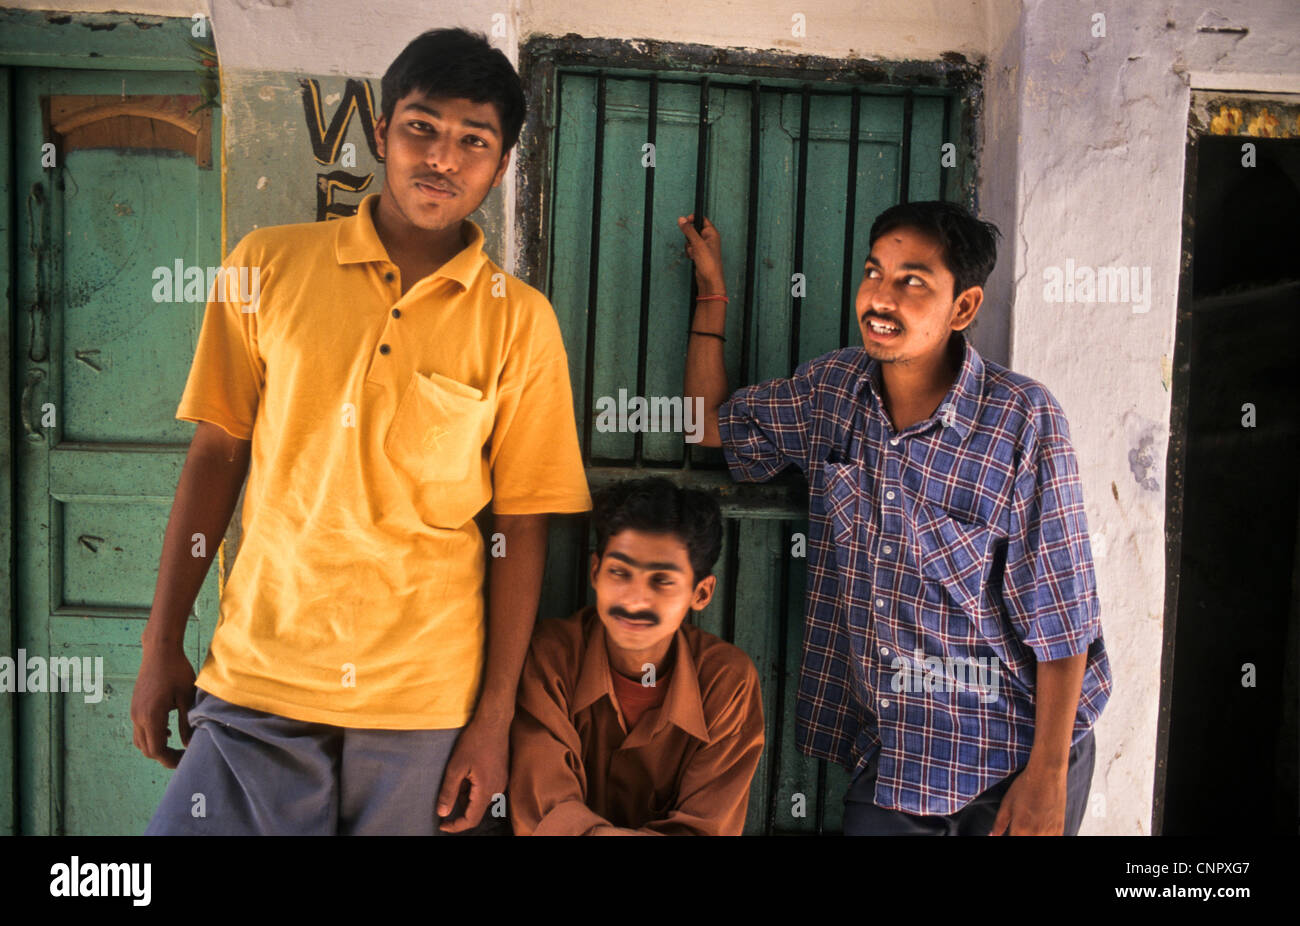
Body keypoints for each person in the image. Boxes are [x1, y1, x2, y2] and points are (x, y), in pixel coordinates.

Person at [132, 28, 591, 835]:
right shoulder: (266, 267)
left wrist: (490, 719)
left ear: (502, 163)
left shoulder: (519, 323)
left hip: (422, 703)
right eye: (422, 127)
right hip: (258, 678)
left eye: (473, 141)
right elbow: (216, 454)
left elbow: (522, 524)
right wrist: (161, 641)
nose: (442, 159)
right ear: (380, 133)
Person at [677, 201, 1111, 835]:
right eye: (873, 273)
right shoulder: (834, 393)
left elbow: (1065, 619)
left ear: (962, 308)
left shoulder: (1020, 420)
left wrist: (1045, 777)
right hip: (895, 758)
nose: (880, 298)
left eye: (912, 282)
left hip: (1013, 754)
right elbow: (706, 426)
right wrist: (712, 295)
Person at [509, 477, 764, 835]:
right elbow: (544, 815)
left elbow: (707, 828)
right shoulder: (554, 656)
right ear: (596, 572)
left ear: (701, 593)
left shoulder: (726, 682)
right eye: (620, 572)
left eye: (661, 580)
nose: (634, 600)